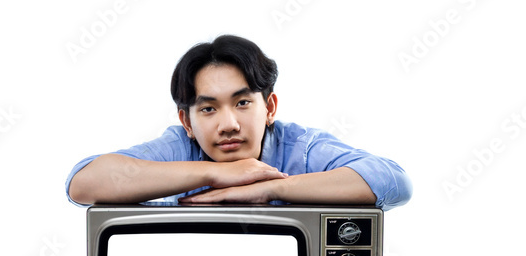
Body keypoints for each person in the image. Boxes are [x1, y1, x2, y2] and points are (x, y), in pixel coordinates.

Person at [66, 35, 411, 211]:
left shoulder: (301, 149)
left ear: (269, 108)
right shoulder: (179, 148)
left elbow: (393, 180)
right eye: (208, 109)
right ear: (187, 122)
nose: (228, 124)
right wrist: (216, 173)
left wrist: (271, 189)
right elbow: (82, 183)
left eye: (242, 103)